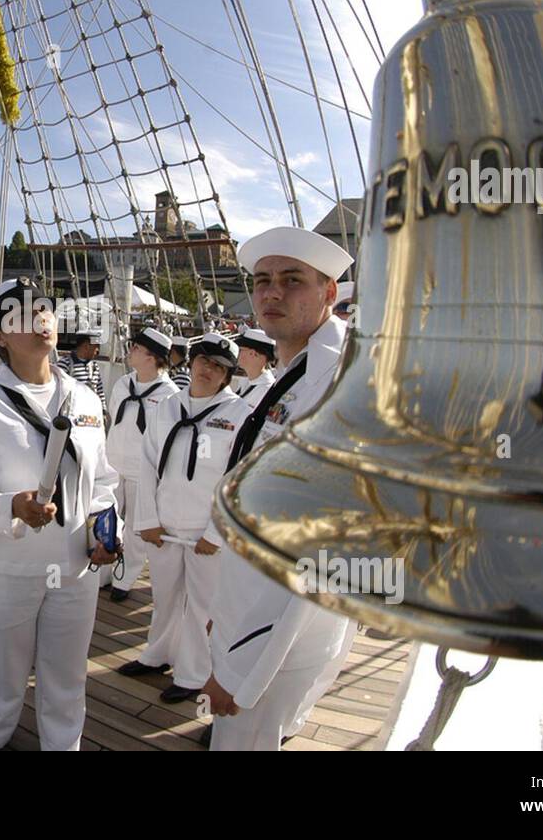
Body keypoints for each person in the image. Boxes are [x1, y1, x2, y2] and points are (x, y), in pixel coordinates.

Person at [0, 277, 119, 750]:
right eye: (22, 315)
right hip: (7, 569)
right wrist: (13, 507)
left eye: (44, 310)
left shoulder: (85, 400)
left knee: (67, 675)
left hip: (73, 568)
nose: (40, 320)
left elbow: (102, 481)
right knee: (3, 673)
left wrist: (108, 530)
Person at [204, 226, 356, 751]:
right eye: (263, 280)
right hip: (252, 617)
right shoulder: (298, 373)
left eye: (293, 281)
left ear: (329, 293)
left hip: (275, 640)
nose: (272, 292)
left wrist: (243, 665)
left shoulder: (338, 385)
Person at [119, 333, 252, 703]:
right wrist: (146, 518)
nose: (208, 370)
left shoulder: (240, 416)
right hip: (164, 525)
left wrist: (218, 533)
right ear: (191, 363)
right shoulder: (168, 407)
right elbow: (147, 465)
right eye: (203, 361)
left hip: (205, 533)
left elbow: (240, 479)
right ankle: (157, 654)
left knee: (201, 607)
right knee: (164, 596)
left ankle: (193, 673)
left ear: (227, 376)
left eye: (218, 367)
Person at [102, 327, 177, 602]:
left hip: (143, 471)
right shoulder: (123, 384)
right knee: (106, 520)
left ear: (152, 357)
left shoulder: (170, 395)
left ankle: (125, 577)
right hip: (112, 464)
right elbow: (113, 415)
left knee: (135, 528)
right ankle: (104, 571)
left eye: (136, 348)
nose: (130, 350)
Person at [57, 329, 105, 410]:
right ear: (86, 346)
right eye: (96, 346)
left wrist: (103, 410)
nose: (97, 350)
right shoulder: (65, 364)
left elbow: (99, 391)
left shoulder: (94, 367)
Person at [232, 328, 276, 399]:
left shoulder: (266, 389)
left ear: (253, 353)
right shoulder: (247, 381)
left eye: (240, 350)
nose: (236, 354)